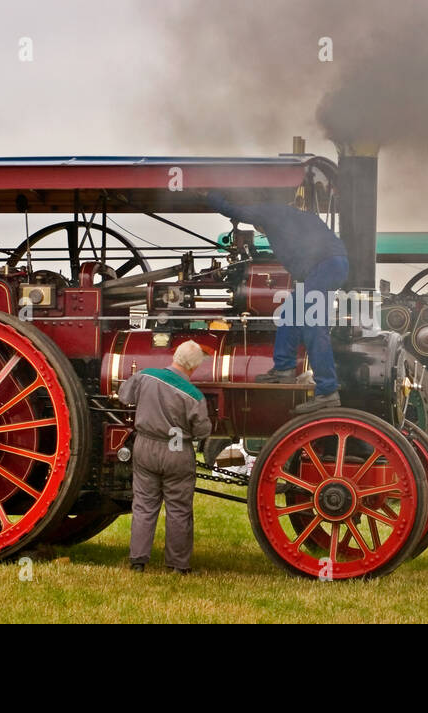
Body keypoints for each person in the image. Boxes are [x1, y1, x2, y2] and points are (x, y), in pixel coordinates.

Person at [206, 191, 349, 414]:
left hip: (323, 267)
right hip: (326, 267)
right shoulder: (300, 216)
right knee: (289, 315)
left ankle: (327, 391)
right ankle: (284, 369)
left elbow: (232, 210)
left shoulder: (270, 212)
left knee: (313, 327)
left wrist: (210, 195)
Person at [118, 341, 212, 574]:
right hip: (177, 450)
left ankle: (138, 561)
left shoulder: (145, 376)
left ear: (175, 356)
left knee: (143, 505)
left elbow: (123, 396)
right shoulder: (194, 395)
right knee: (179, 508)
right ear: (194, 367)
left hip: (145, 446)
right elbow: (203, 431)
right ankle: (177, 565)